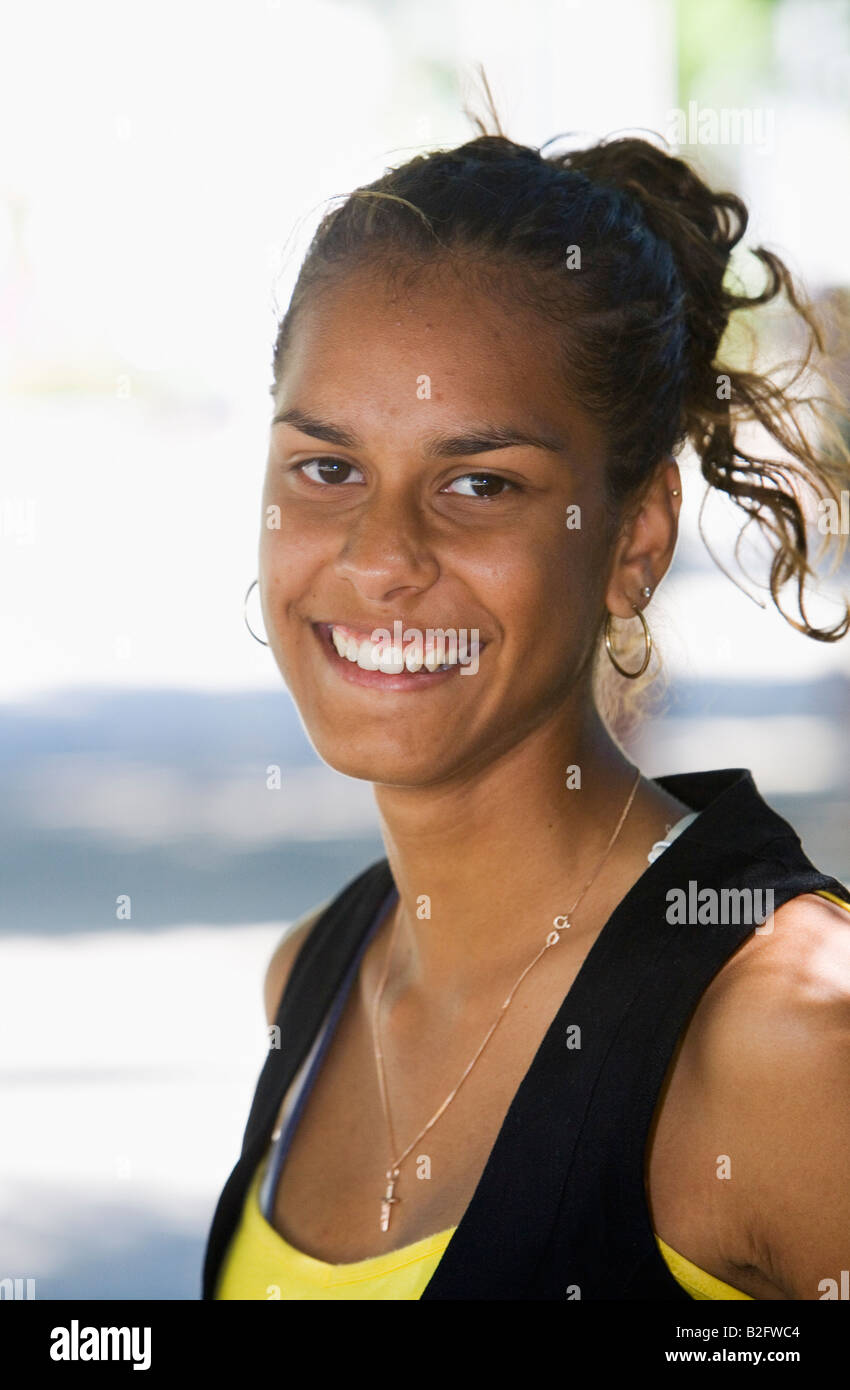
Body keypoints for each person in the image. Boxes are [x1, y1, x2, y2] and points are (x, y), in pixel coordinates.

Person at [203, 100, 850, 1301]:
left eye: (480, 481)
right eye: (328, 467)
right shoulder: (312, 983)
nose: (378, 553)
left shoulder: (782, 1040)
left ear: (633, 538)